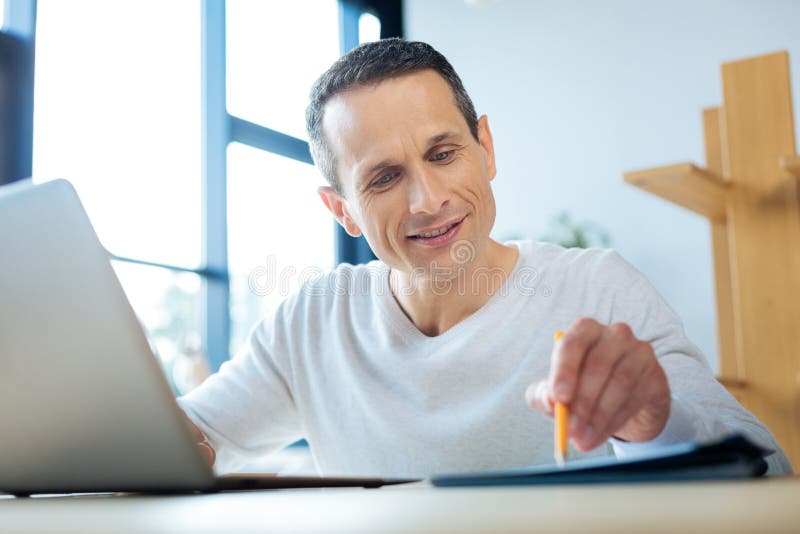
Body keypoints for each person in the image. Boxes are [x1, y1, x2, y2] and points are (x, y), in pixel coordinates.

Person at [178, 38, 792, 476]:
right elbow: (184, 439)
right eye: (385, 178)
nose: (429, 200)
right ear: (342, 211)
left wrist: (655, 423)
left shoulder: (598, 290)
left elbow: (768, 470)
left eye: (443, 154)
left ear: (486, 148)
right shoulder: (312, 321)